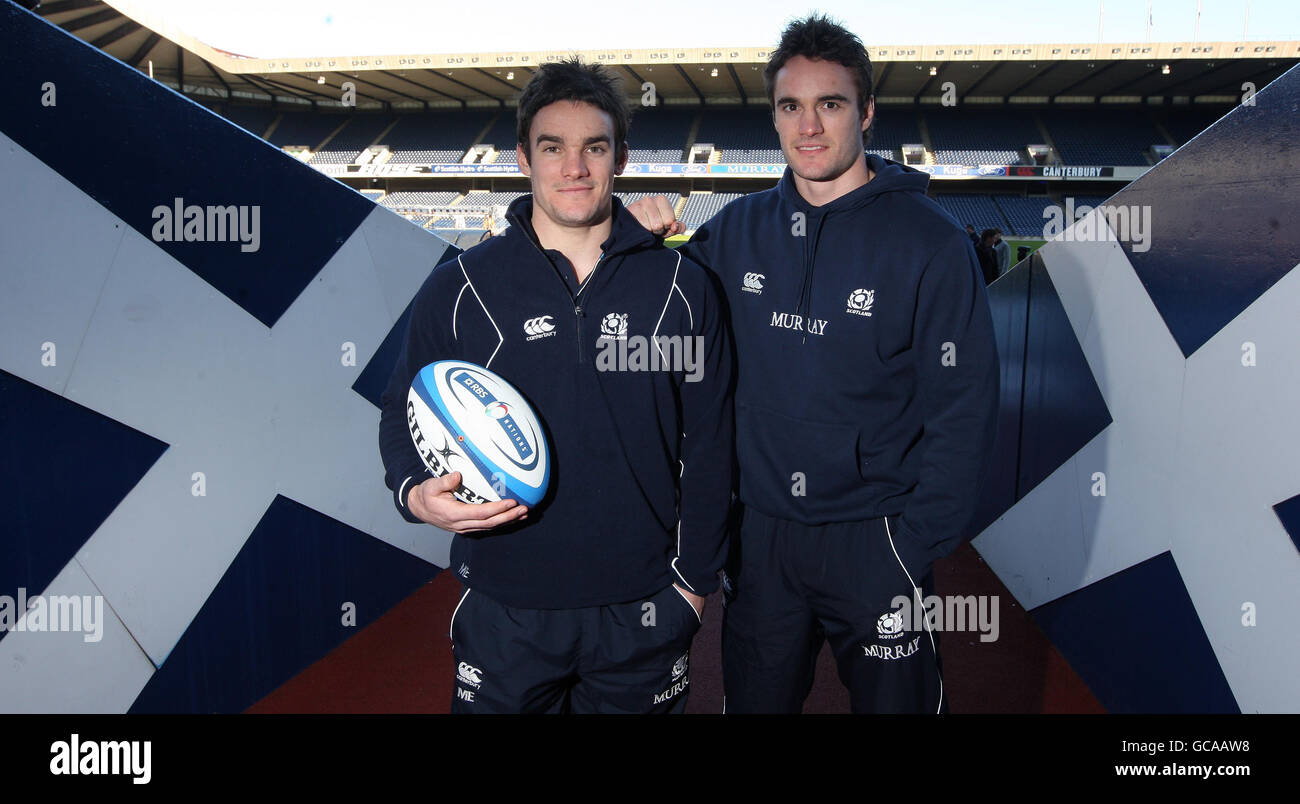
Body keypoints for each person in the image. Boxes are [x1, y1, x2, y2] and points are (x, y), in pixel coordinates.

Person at [628, 14, 999, 713]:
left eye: (829, 103)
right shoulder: (733, 230)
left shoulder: (932, 243)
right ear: (774, 117)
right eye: (790, 106)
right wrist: (636, 242)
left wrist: (916, 545)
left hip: (879, 536)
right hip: (762, 540)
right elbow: (664, 327)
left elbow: (965, 406)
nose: (809, 126)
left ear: (865, 111)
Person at [378, 58, 735, 714]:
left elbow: (711, 445)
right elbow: (403, 409)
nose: (574, 168)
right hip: (504, 607)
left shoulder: (682, 289)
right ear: (523, 159)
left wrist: (692, 587)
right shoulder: (459, 289)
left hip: (645, 605)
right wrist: (413, 495)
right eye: (553, 148)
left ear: (620, 158)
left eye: (593, 147)